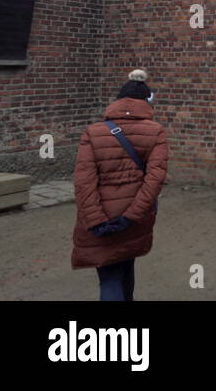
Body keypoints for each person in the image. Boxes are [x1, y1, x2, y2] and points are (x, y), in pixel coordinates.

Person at [72, 69, 168, 301]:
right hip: (134, 218)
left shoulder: (93, 132)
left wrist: (96, 220)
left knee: (110, 275)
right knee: (126, 264)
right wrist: (131, 216)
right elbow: (154, 180)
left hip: (100, 218)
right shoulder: (155, 132)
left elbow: (83, 181)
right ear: (146, 102)